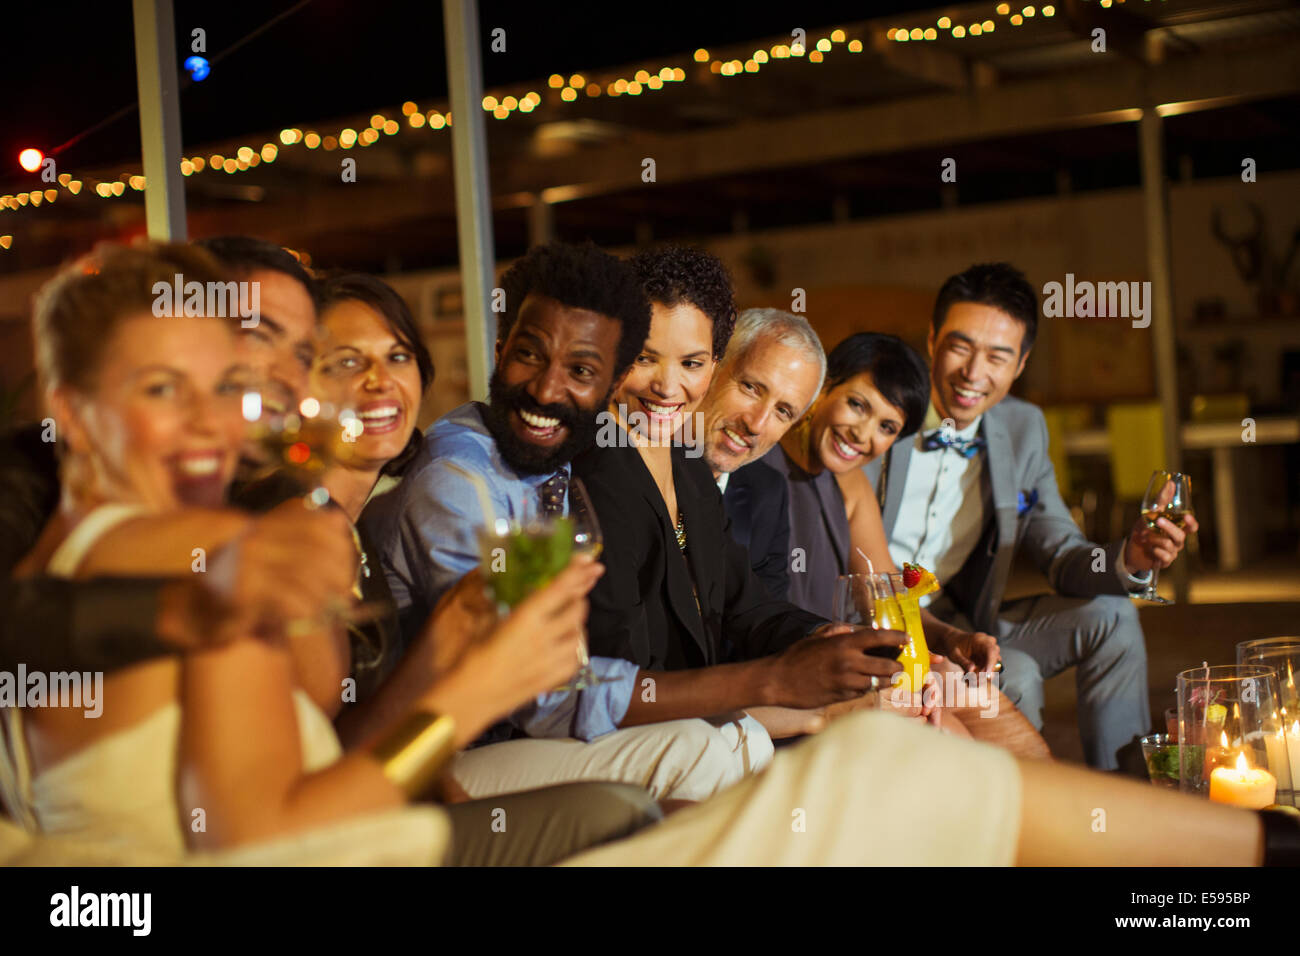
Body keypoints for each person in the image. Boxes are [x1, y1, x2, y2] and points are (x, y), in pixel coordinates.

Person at [0, 241, 660, 867]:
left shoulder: (86, 552)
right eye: (162, 389)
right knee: (644, 814)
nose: (213, 422)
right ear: (74, 411)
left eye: (226, 386)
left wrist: (449, 648)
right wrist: (474, 693)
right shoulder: (207, 556)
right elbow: (270, 842)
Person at [362, 240, 767, 802]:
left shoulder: (555, 464)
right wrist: (766, 686)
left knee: (741, 740)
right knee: (702, 749)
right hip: (435, 762)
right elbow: (537, 694)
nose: (549, 389)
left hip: (511, 735)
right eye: (531, 356)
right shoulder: (464, 480)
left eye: (580, 369)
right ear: (501, 353)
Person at [579, 247, 912, 756]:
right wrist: (789, 693)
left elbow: (746, 602)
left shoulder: (685, 464)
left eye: (689, 363)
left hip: (704, 729)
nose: (669, 385)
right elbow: (618, 686)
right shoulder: (595, 470)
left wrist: (829, 635)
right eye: (647, 357)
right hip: (643, 740)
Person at [865, 262, 1198, 769]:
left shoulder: (1022, 428)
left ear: (1020, 364)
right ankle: (1024, 818)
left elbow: (1061, 554)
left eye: (998, 357)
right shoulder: (881, 409)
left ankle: (1123, 793)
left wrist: (1127, 557)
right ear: (932, 341)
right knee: (1013, 673)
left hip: (969, 623)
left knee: (1113, 618)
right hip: (879, 621)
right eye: (960, 347)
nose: (974, 374)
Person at [755, 329, 1046, 754]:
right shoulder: (759, 465)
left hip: (853, 668)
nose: (863, 434)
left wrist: (951, 639)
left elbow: (889, 597)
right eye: (857, 405)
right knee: (954, 738)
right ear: (823, 386)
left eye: (886, 426)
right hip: (800, 683)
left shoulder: (849, 483)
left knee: (988, 704)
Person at [695, 307, 827, 601]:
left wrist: (827, 638)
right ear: (714, 367)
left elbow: (767, 612)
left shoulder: (767, 491)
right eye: (752, 388)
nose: (755, 425)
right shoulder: (635, 458)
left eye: (782, 411)